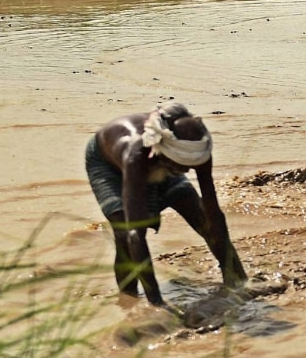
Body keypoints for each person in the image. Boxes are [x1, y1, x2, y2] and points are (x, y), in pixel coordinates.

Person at [84, 102, 246, 308]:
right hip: (109, 166)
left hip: (162, 159)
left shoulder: (195, 148)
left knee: (198, 214)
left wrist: (238, 280)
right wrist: (158, 303)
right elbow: (136, 234)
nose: (187, 172)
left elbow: (213, 213)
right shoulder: (137, 156)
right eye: (181, 166)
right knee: (124, 232)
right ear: (162, 153)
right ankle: (128, 298)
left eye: (190, 167)